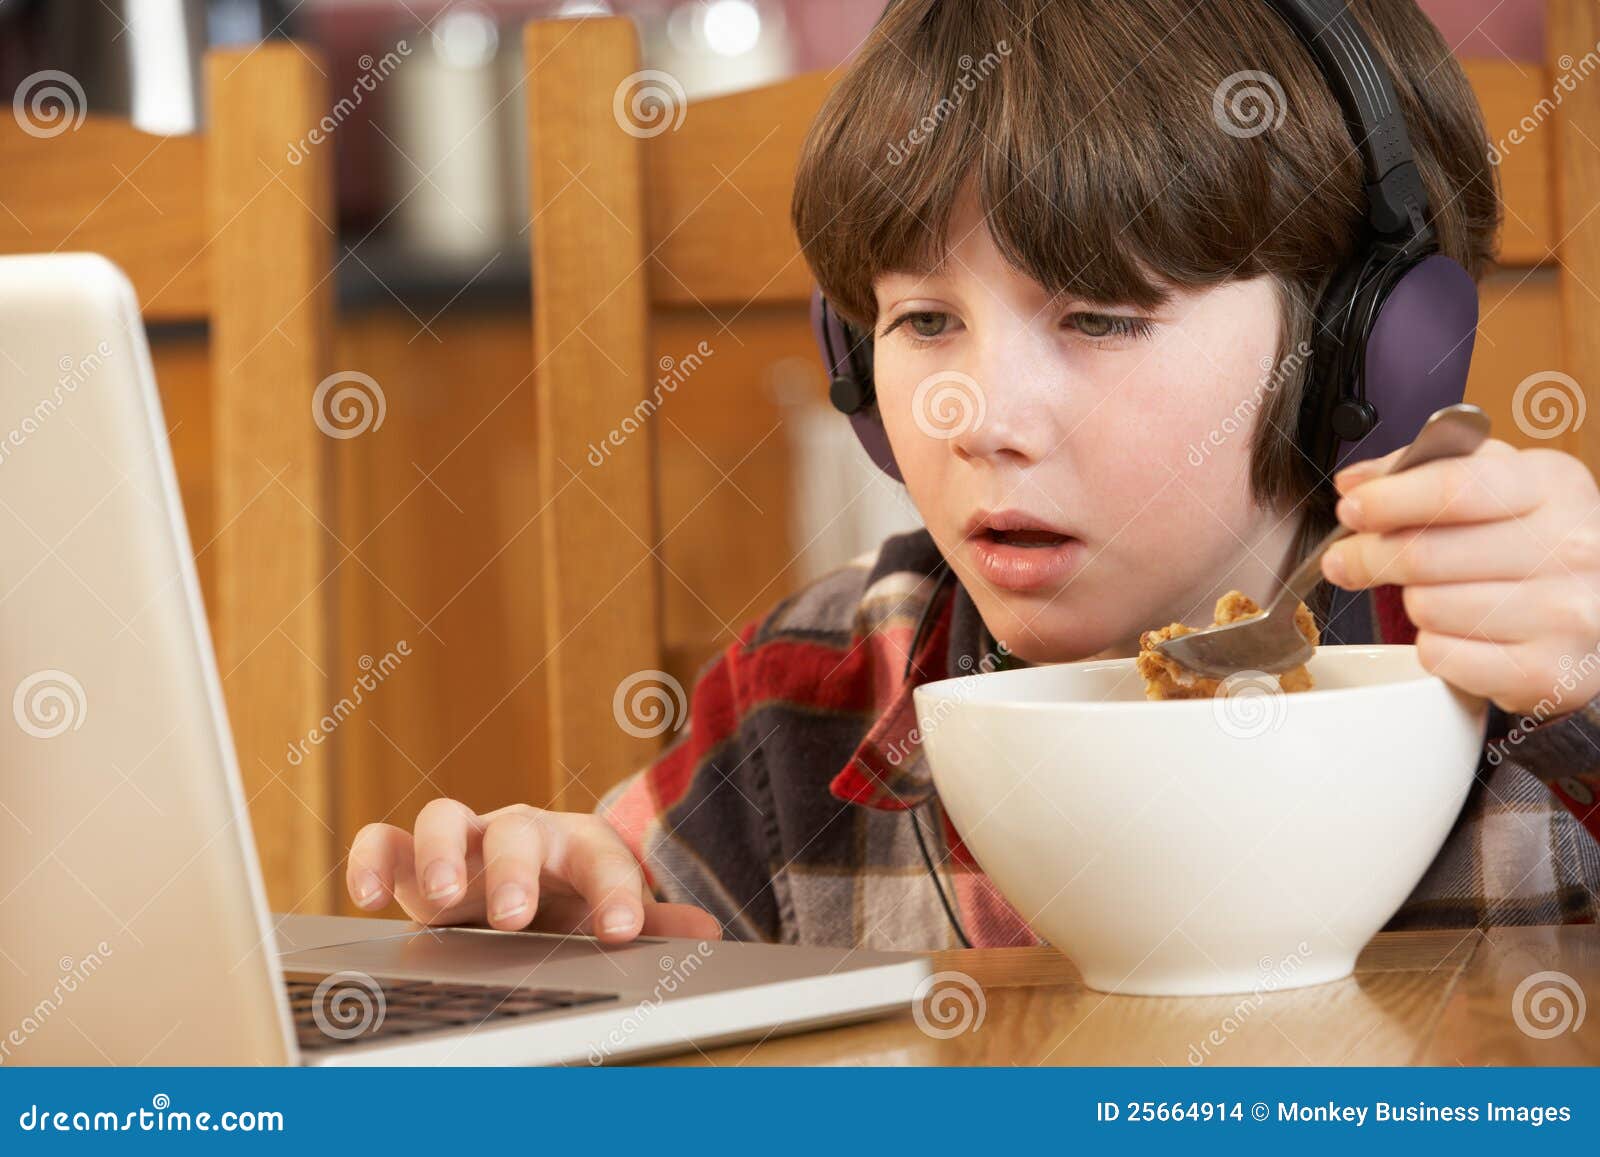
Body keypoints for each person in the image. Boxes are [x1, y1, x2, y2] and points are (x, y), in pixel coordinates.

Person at [346, 0, 1600, 950]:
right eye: (923, 322)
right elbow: (640, 963)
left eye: (1101, 319)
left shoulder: (1535, 672)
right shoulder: (807, 700)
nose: (976, 418)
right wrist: (575, 965)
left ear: (1371, 353)